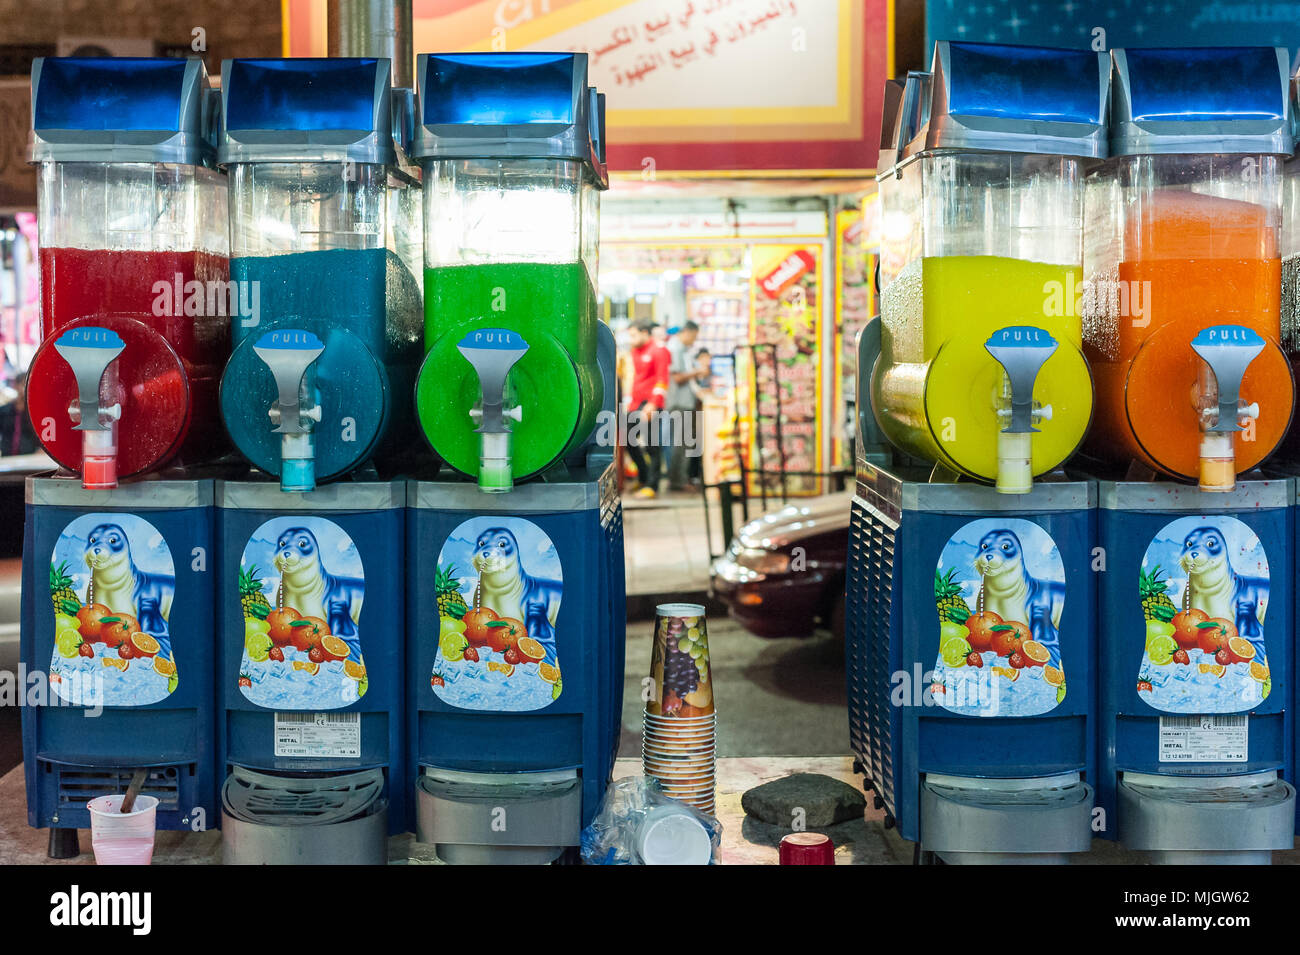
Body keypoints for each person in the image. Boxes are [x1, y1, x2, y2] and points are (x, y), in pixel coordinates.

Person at [625, 318, 669, 497]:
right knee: (627, 440)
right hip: (635, 403)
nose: (631, 339)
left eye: (634, 335)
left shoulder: (659, 351)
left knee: (651, 444)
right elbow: (633, 377)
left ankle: (652, 486)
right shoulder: (634, 352)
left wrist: (653, 403)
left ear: (645, 333)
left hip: (651, 404)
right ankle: (643, 478)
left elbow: (662, 379)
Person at [665, 320, 705, 491]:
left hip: (683, 402)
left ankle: (680, 480)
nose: (693, 341)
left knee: (683, 443)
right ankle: (678, 482)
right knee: (681, 444)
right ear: (687, 332)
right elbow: (678, 377)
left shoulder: (681, 348)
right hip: (679, 402)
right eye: (693, 337)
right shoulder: (676, 348)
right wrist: (697, 372)